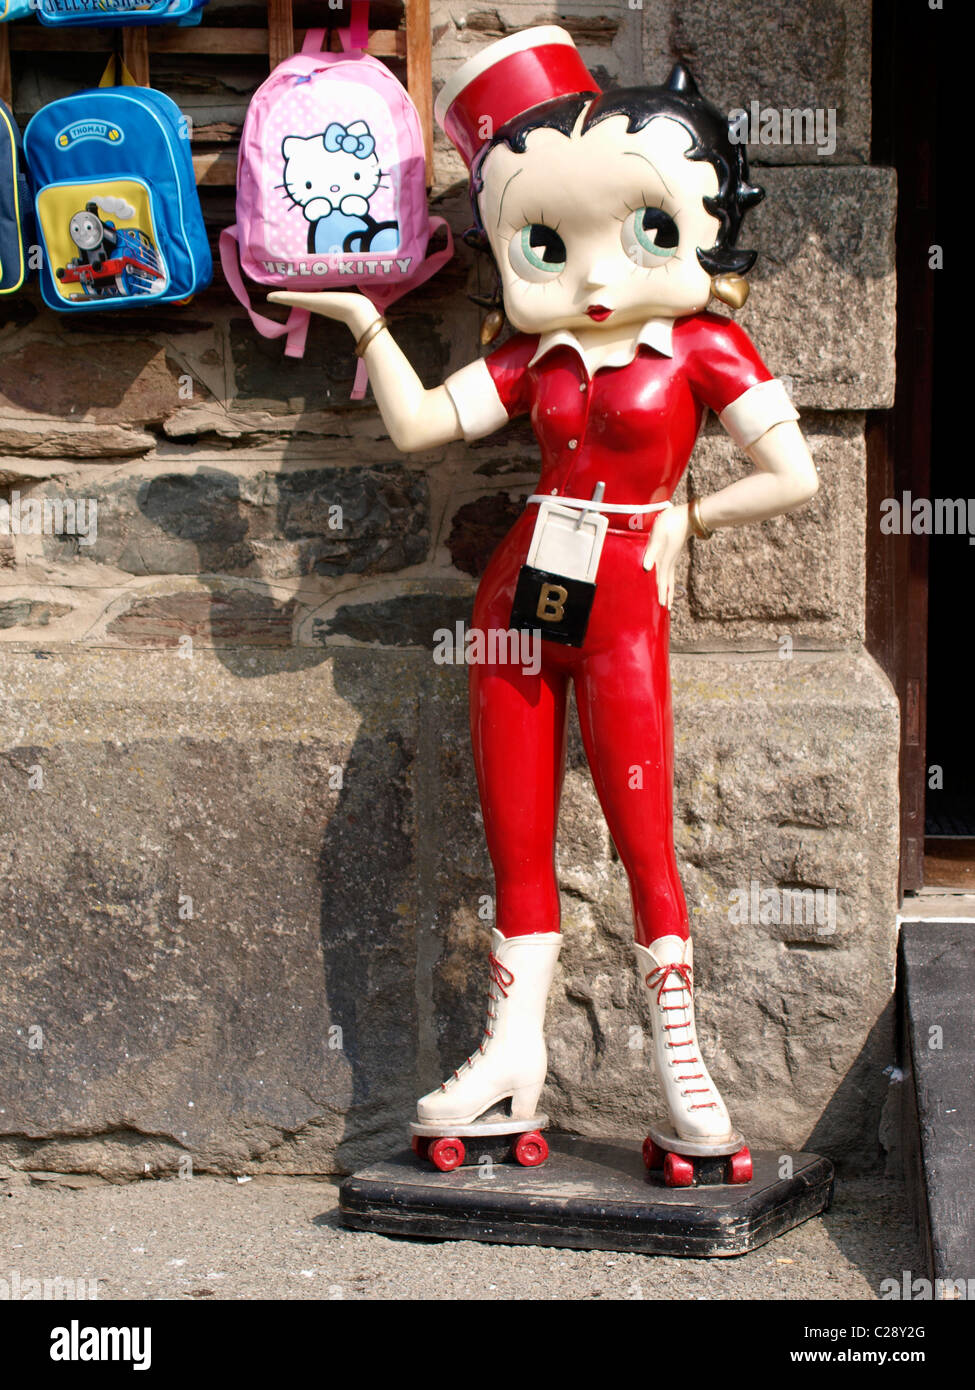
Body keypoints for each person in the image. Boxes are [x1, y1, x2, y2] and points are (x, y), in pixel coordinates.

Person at [270, 27, 819, 1149]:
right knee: (515, 837)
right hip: (519, 604)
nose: (598, 272)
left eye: (645, 227)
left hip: (623, 607)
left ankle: (683, 1058)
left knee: (643, 830)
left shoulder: (707, 350)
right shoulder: (537, 363)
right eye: (547, 241)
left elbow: (793, 474)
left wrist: (689, 516)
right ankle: (511, 1052)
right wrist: (368, 323)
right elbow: (424, 425)